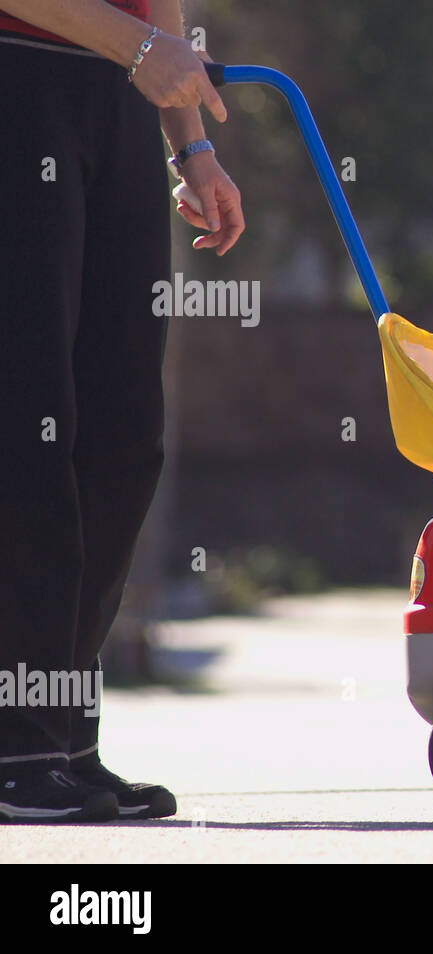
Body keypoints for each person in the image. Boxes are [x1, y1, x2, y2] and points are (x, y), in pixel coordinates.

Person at [0, 0, 244, 822]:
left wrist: (193, 148)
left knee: (123, 436)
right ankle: (15, 749)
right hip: (18, 81)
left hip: (121, 96)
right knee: (28, 428)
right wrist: (142, 48)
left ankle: (61, 739)